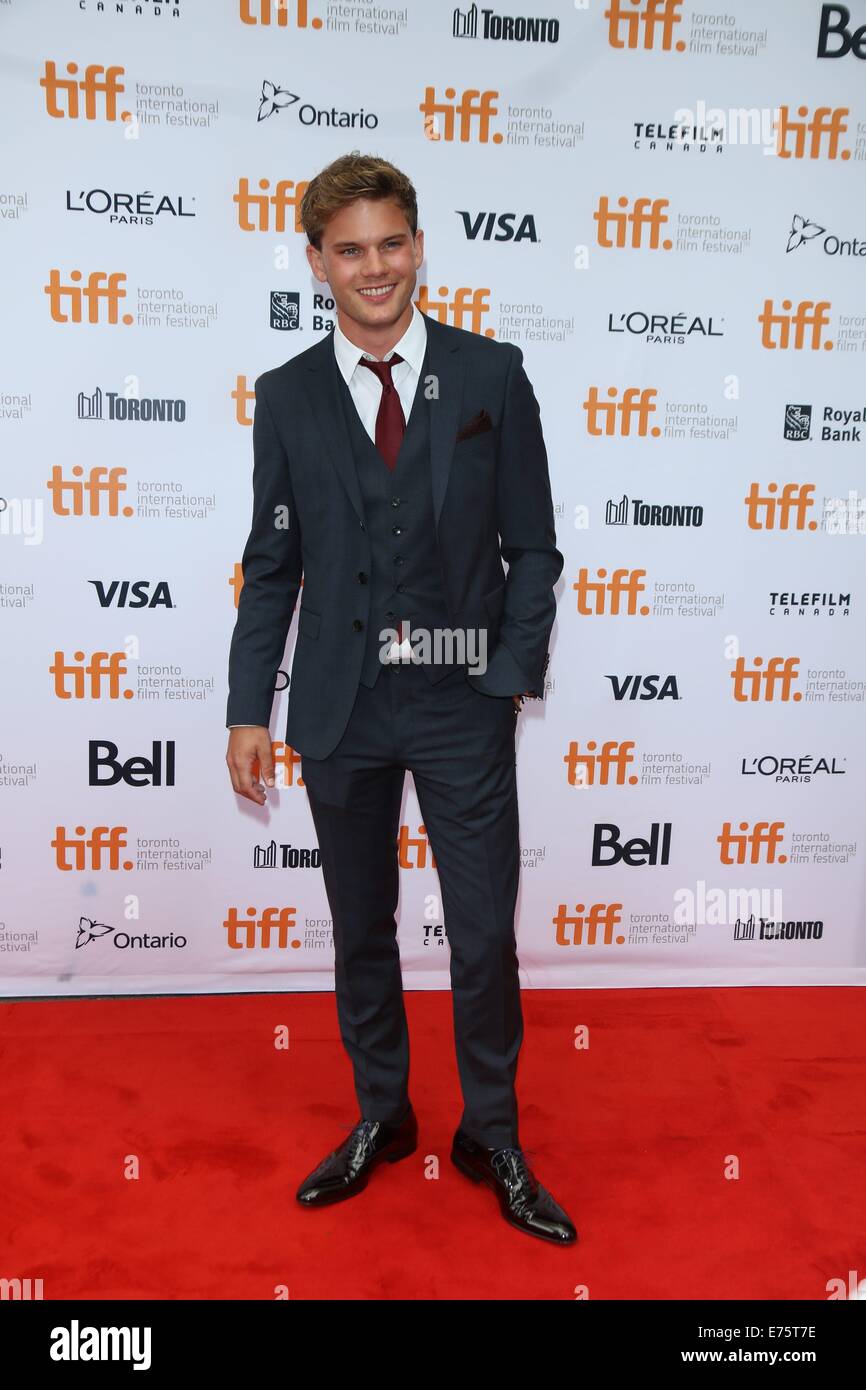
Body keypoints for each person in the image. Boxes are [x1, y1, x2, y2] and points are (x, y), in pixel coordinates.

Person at [225, 152, 575, 1245]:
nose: (373, 268)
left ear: (418, 247)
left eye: (390, 243)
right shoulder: (284, 396)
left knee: (481, 936)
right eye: (349, 250)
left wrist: (504, 681)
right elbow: (270, 565)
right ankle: (384, 1114)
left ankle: (493, 1134)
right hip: (337, 708)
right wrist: (248, 708)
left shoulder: (488, 375)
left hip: (459, 700)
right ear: (317, 263)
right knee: (359, 932)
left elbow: (534, 547)